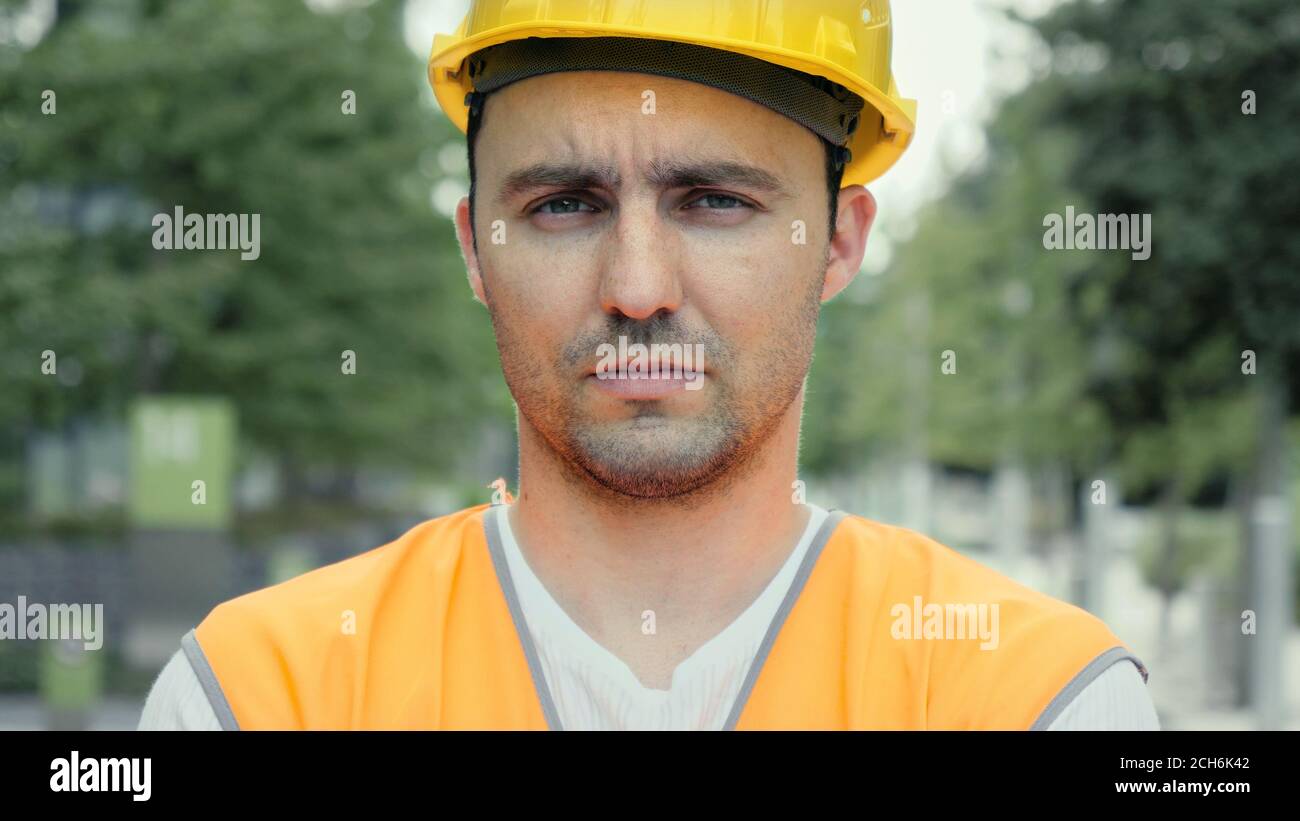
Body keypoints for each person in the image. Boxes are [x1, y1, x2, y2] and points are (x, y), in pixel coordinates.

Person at [139, 0, 1158, 730]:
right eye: (563, 205)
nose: (637, 286)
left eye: (716, 201)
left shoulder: (1034, 698)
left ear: (840, 242)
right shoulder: (260, 694)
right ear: (474, 250)